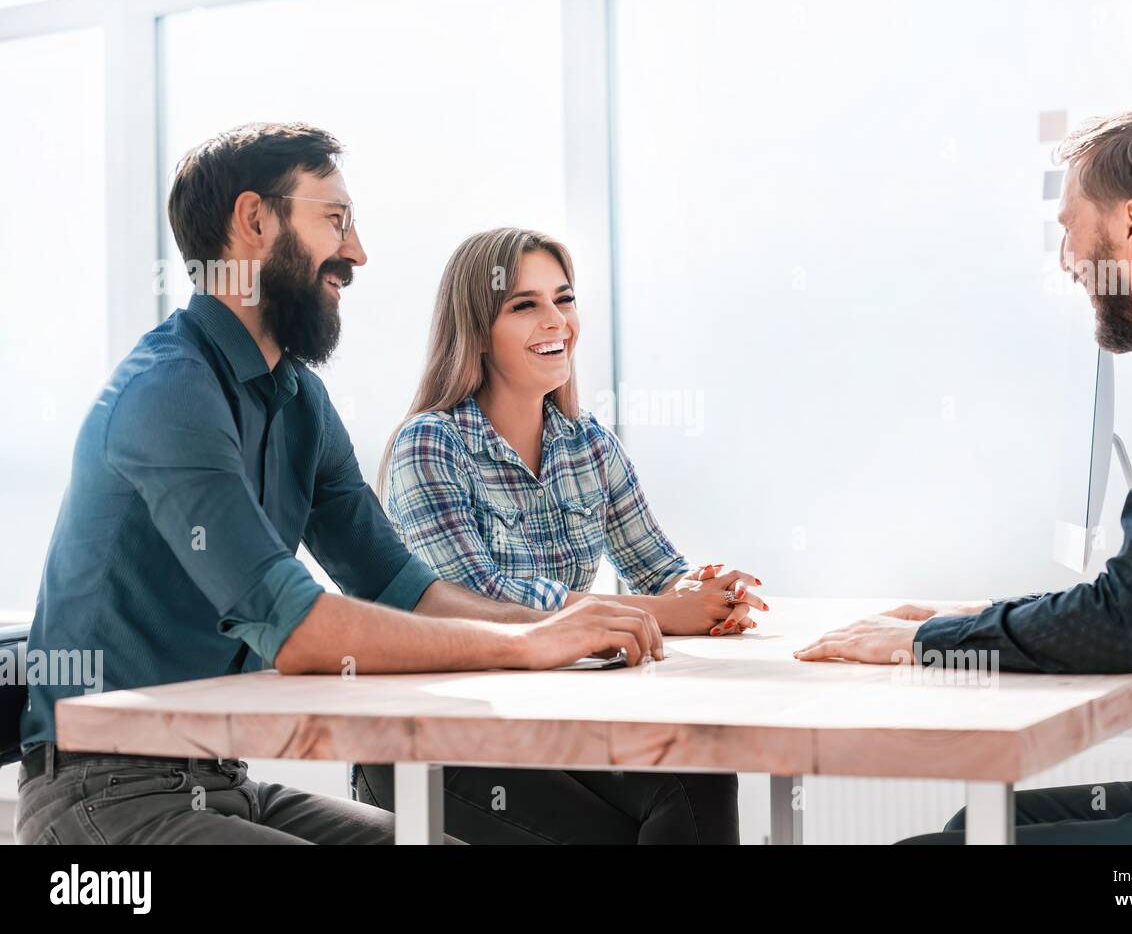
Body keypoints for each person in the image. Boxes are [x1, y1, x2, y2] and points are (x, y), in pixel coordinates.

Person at [16, 124, 661, 845]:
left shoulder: (299, 401)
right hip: (103, 796)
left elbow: (399, 585)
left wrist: (555, 627)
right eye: (335, 220)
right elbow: (294, 628)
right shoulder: (168, 391)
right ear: (255, 220)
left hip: (223, 781)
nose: (356, 251)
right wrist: (525, 645)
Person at [797, 106, 1132, 845]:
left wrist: (928, 640)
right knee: (977, 827)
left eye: (1069, 226)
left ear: (1130, 226)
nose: (1066, 258)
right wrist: (968, 616)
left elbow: (1130, 623)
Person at [352, 227, 760, 843]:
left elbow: (655, 567)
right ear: (476, 331)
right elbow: (478, 599)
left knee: (698, 776)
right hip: (435, 736)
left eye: (563, 300)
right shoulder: (431, 443)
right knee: (641, 817)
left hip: (544, 719)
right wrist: (666, 614)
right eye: (525, 305)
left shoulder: (587, 443)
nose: (556, 321)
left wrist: (701, 593)